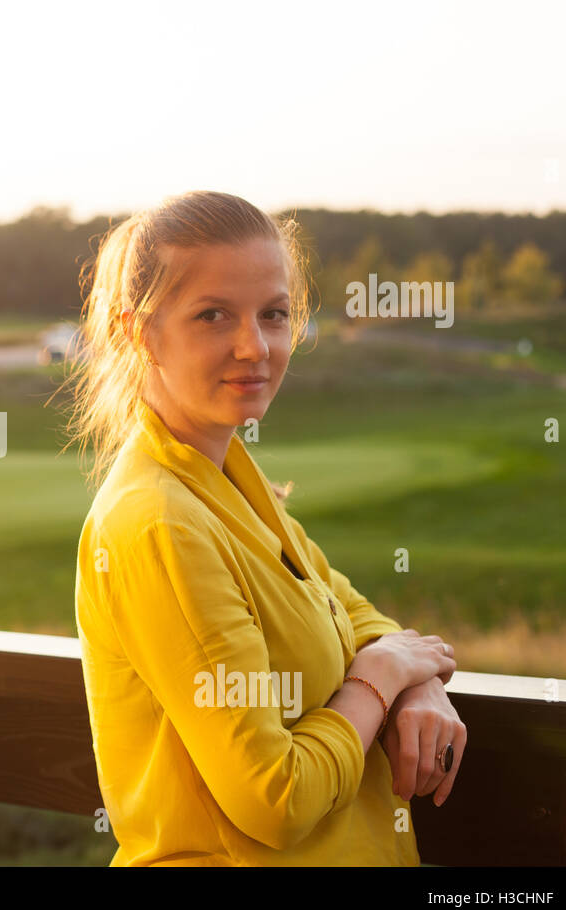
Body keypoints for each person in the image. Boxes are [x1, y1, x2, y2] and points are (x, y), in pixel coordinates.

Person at [66, 191, 466, 866]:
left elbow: (345, 606)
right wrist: (375, 684)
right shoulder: (162, 524)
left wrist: (413, 676)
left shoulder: (229, 479)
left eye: (274, 315)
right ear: (139, 332)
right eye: (213, 315)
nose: (254, 346)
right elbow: (274, 799)